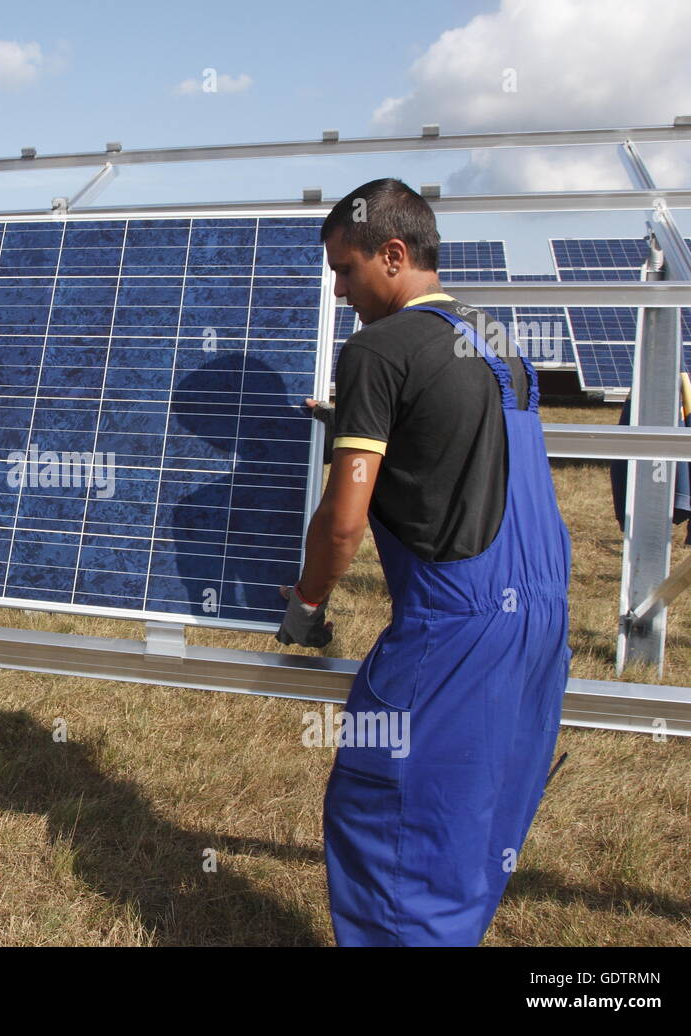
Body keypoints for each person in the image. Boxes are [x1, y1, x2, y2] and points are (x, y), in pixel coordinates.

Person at [277, 178, 572, 946]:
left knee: (390, 821)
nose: (340, 292)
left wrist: (306, 606)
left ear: (394, 253)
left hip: (455, 626)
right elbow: (452, 442)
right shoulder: (496, 341)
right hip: (540, 618)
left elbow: (343, 525)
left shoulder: (376, 349)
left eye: (345, 270)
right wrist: (356, 418)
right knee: (474, 819)